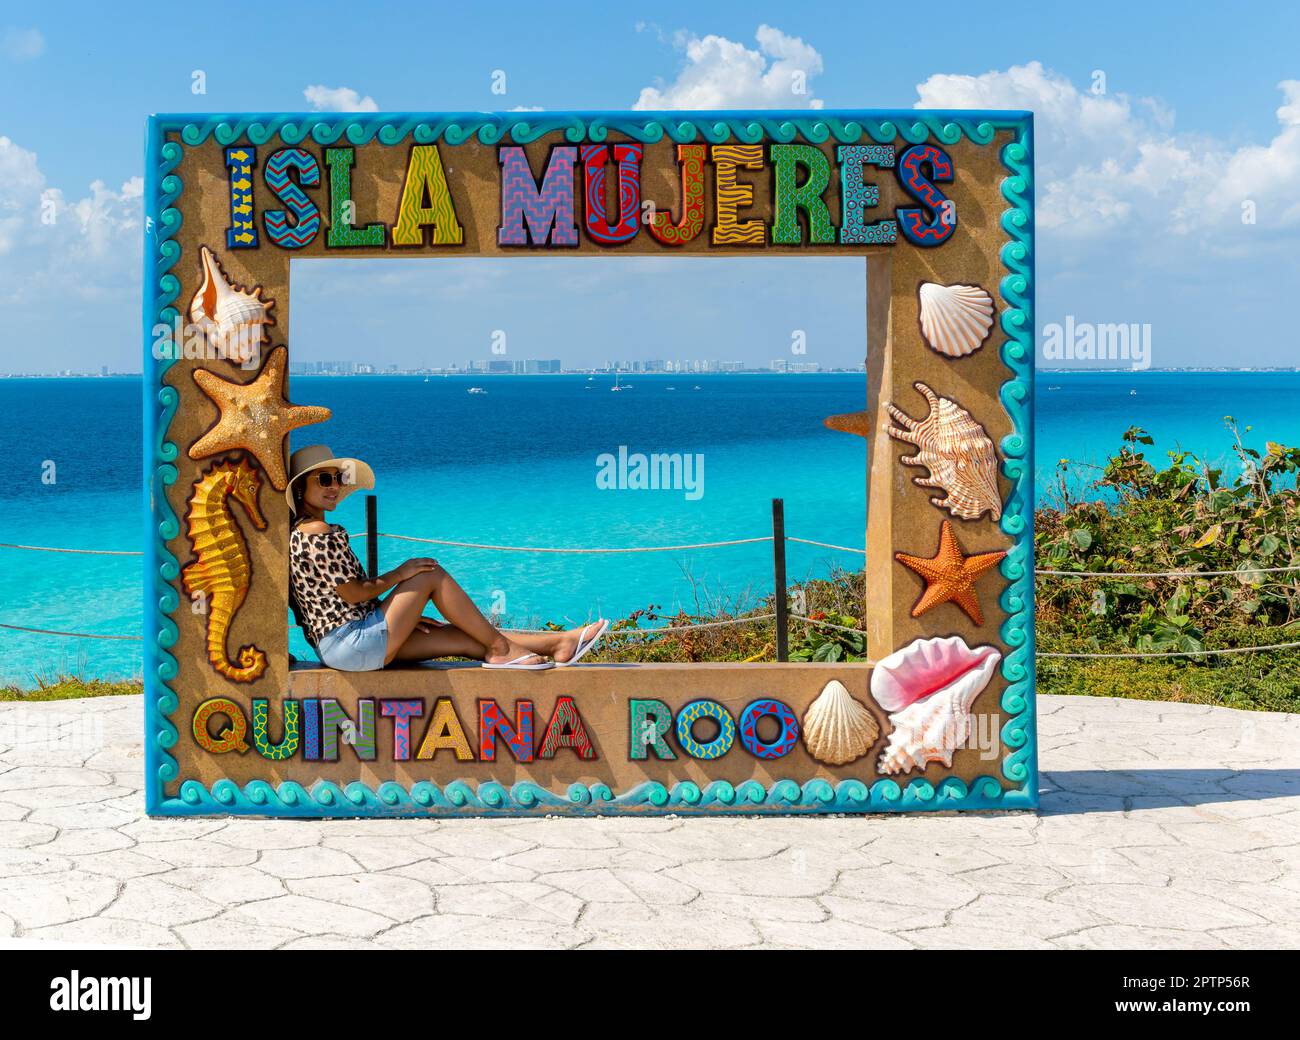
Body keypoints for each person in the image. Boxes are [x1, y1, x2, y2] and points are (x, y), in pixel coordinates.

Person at [286, 445, 607, 672]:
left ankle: (558, 644)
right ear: (300, 488)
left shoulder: (302, 531)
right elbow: (352, 592)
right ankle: (502, 649)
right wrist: (400, 573)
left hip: (346, 646)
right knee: (428, 574)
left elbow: (341, 599)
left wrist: (397, 615)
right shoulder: (317, 531)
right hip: (351, 642)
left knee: (461, 638)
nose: (333, 487)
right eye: (323, 480)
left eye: (336, 479)